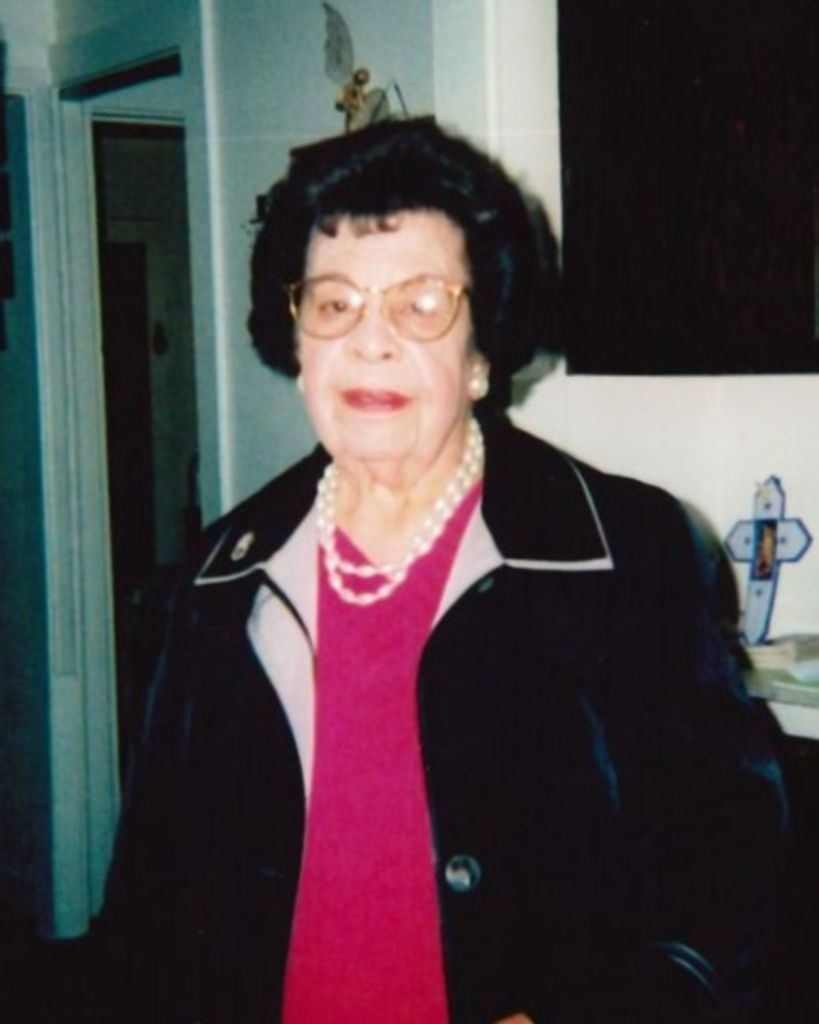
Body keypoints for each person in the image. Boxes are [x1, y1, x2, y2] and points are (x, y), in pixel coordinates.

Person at [98, 118, 787, 1024]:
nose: (370, 341)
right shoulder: (219, 580)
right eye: (334, 304)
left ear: (480, 357)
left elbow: (735, 859)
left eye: (422, 304)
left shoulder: (626, 551)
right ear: (296, 343)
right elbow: (151, 893)